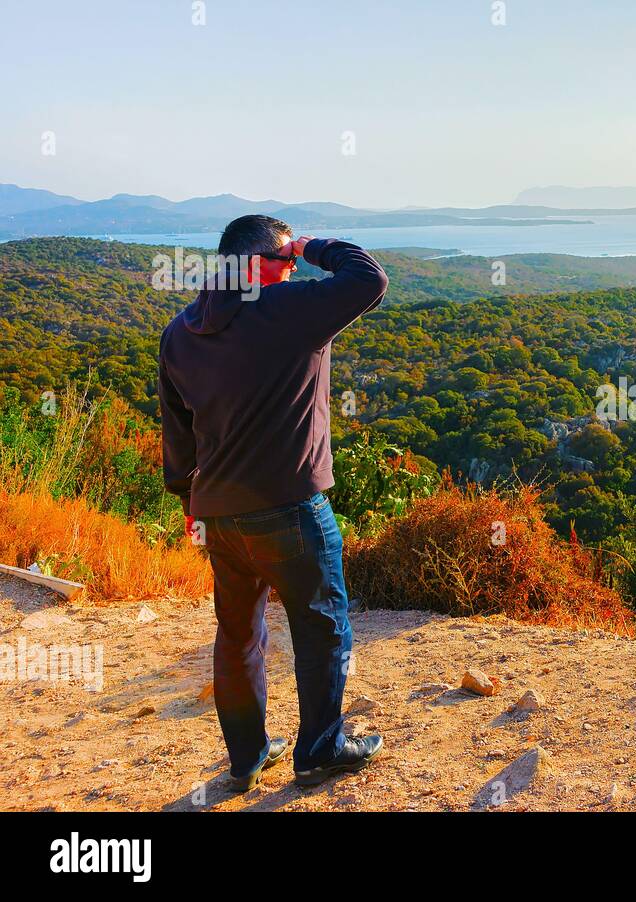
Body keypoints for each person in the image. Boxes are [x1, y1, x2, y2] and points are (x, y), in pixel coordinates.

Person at [158, 215, 388, 790]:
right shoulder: (289, 311)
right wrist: (314, 246)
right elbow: (368, 278)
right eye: (286, 261)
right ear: (265, 264)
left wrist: (190, 500)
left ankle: (247, 756)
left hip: (218, 513)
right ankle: (318, 750)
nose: (292, 270)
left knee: (237, 636)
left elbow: (178, 434)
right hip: (289, 506)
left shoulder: (181, 333)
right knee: (322, 626)